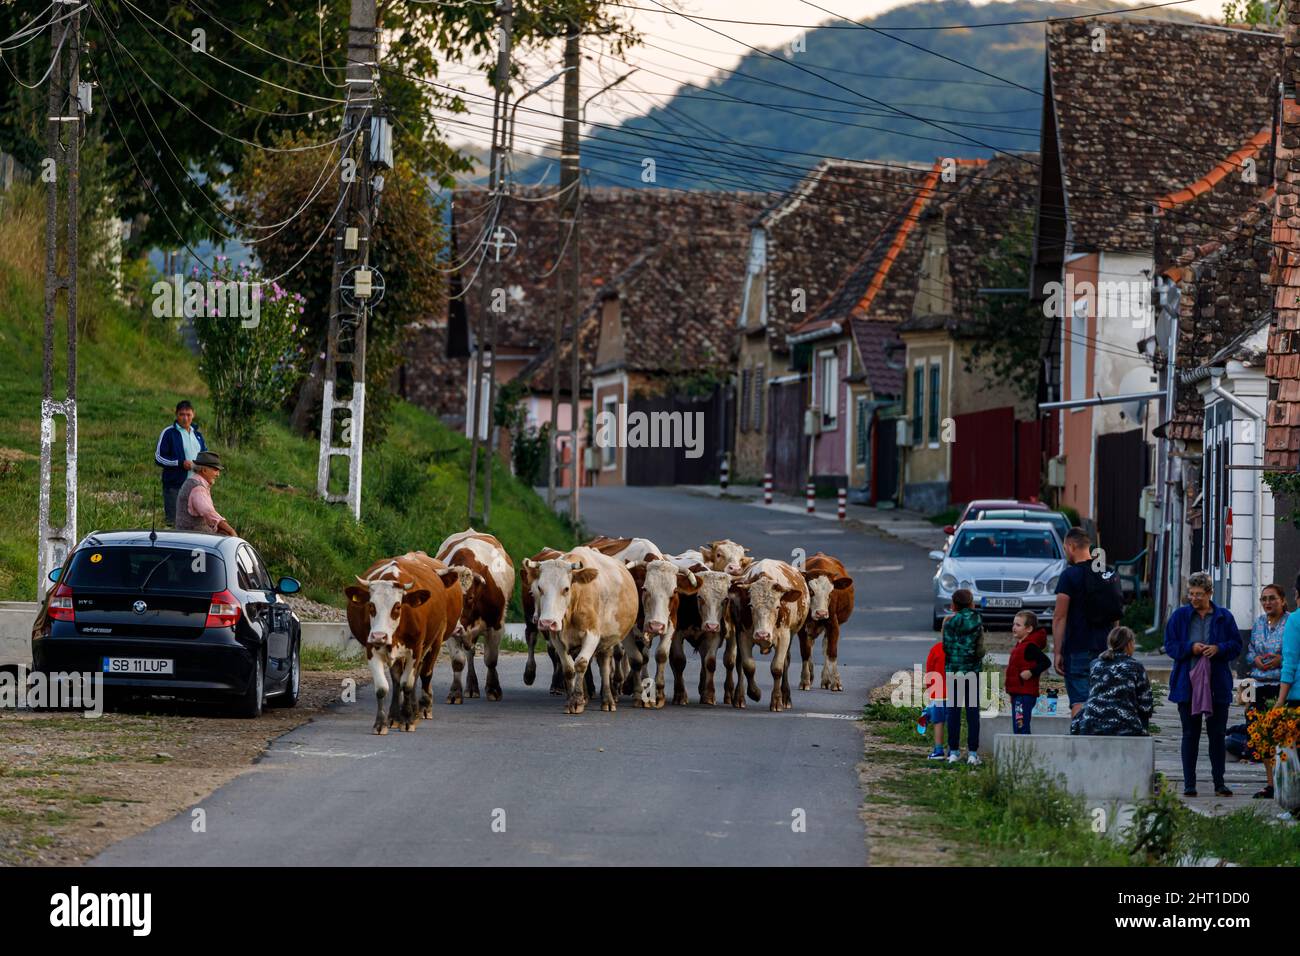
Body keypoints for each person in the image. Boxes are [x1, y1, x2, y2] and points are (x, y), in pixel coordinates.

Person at [1164, 572, 1241, 798]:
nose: (1194, 598)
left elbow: (1236, 644)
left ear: (1209, 593)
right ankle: (1189, 783)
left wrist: (1219, 649)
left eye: (1199, 594)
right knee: (1190, 734)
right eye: (1191, 594)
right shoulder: (1180, 617)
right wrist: (1190, 648)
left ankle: (1219, 782)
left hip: (1217, 684)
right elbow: (1170, 646)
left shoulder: (1224, 617)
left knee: (1217, 735)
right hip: (1186, 683)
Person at [1052, 527, 1119, 716]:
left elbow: (1059, 616)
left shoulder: (1069, 576)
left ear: (1071, 546)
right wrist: (1116, 647)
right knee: (1103, 701)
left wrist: (1057, 652)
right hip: (1105, 647)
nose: (1066, 552)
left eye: (1065, 548)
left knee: (1080, 702)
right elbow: (1116, 615)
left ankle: (1079, 742)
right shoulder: (1107, 573)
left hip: (1077, 648)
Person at [1070, 626, 1153, 737]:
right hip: (1125, 725)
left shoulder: (1095, 664)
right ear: (1129, 644)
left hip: (1091, 723)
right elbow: (1146, 704)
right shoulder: (1135, 666)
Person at [1246, 584, 1288, 799]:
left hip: (1281, 686)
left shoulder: (1290, 623)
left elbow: (1292, 654)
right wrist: (1255, 659)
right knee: (1262, 735)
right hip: (1259, 684)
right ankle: (1270, 783)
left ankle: (1287, 781)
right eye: (1264, 599)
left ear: (1282, 600)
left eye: (1272, 598)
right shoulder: (1259, 623)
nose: (1267, 603)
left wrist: (1280, 659)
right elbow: (1250, 650)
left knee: (1282, 735)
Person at [942, 588, 984, 766]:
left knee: (954, 712)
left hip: (954, 671)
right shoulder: (978, 621)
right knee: (973, 712)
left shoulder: (949, 623)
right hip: (972, 671)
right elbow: (980, 650)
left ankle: (953, 752)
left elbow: (945, 648)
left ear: (953, 606)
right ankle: (973, 753)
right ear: (972, 603)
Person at [154, 400, 207, 527]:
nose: (185, 418)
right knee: (173, 522)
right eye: (182, 415)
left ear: (193, 414)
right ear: (176, 415)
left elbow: (205, 456)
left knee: (195, 523)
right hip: (174, 485)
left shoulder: (198, 435)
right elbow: (159, 457)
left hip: (196, 486)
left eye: (188, 415)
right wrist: (180, 463)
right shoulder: (169, 433)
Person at [1006, 610, 1051, 734]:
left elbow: (1046, 662)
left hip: (1025, 694)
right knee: (1018, 723)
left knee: (1021, 724)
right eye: (1014, 624)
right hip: (1018, 694)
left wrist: (1031, 672)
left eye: (1018, 625)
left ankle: (1023, 748)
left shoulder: (1030, 647)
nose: (1014, 627)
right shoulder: (1019, 645)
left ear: (1029, 629)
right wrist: (1012, 692)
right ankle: (1021, 748)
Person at [175, 451, 236, 536]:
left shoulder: (193, 482)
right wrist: (231, 531)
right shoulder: (198, 489)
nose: (218, 474)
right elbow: (209, 512)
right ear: (204, 470)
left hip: (188, 536)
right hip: (194, 539)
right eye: (215, 470)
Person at [923, 638, 947, 760]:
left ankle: (938, 750)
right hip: (955, 693)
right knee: (954, 722)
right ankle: (954, 750)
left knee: (938, 722)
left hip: (938, 691)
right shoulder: (960, 650)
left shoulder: (936, 649)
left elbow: (929, 670)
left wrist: (929, 688)